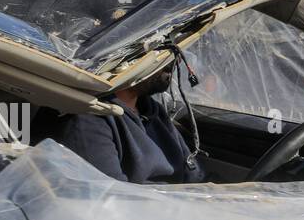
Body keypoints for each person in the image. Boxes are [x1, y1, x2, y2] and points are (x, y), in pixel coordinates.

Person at [39, 66, 204, 184]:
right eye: (160, 50)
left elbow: (194, 177)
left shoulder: (153, 110)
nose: (169, 62)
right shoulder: (86, 116)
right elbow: (113, 202)